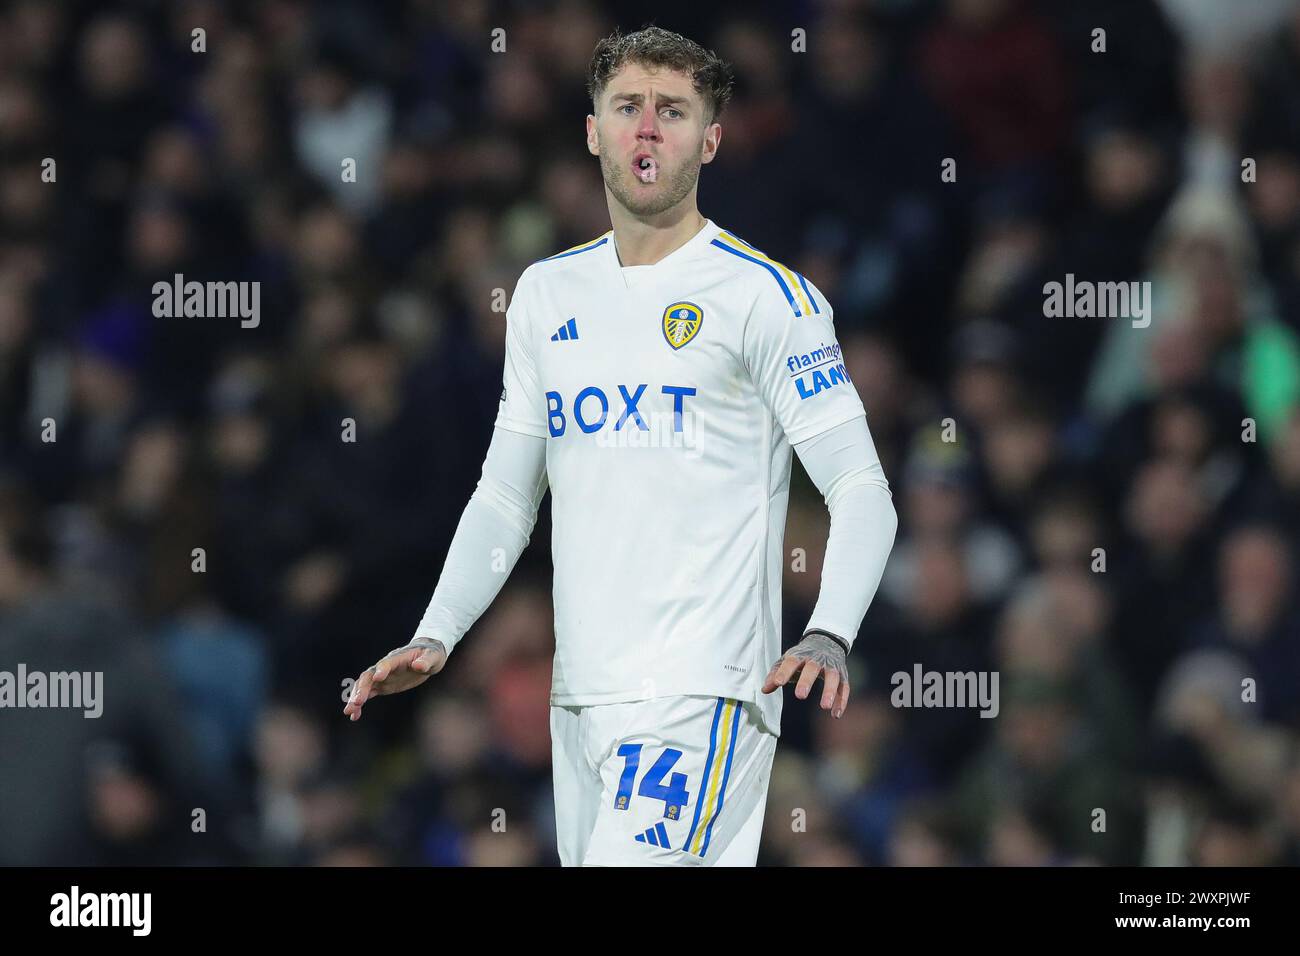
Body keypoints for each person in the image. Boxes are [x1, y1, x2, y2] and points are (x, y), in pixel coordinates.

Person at [344, 25, 898, 866]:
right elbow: (505, 495)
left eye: (673, 111)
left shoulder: (768, 300)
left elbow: (861, 488)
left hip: (701, 688)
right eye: (628, 107)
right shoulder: (543, 294)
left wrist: (828, 633)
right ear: (592, 130)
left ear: (710, 141)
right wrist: (440, 630)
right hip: (582, 697)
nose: (648, 129)